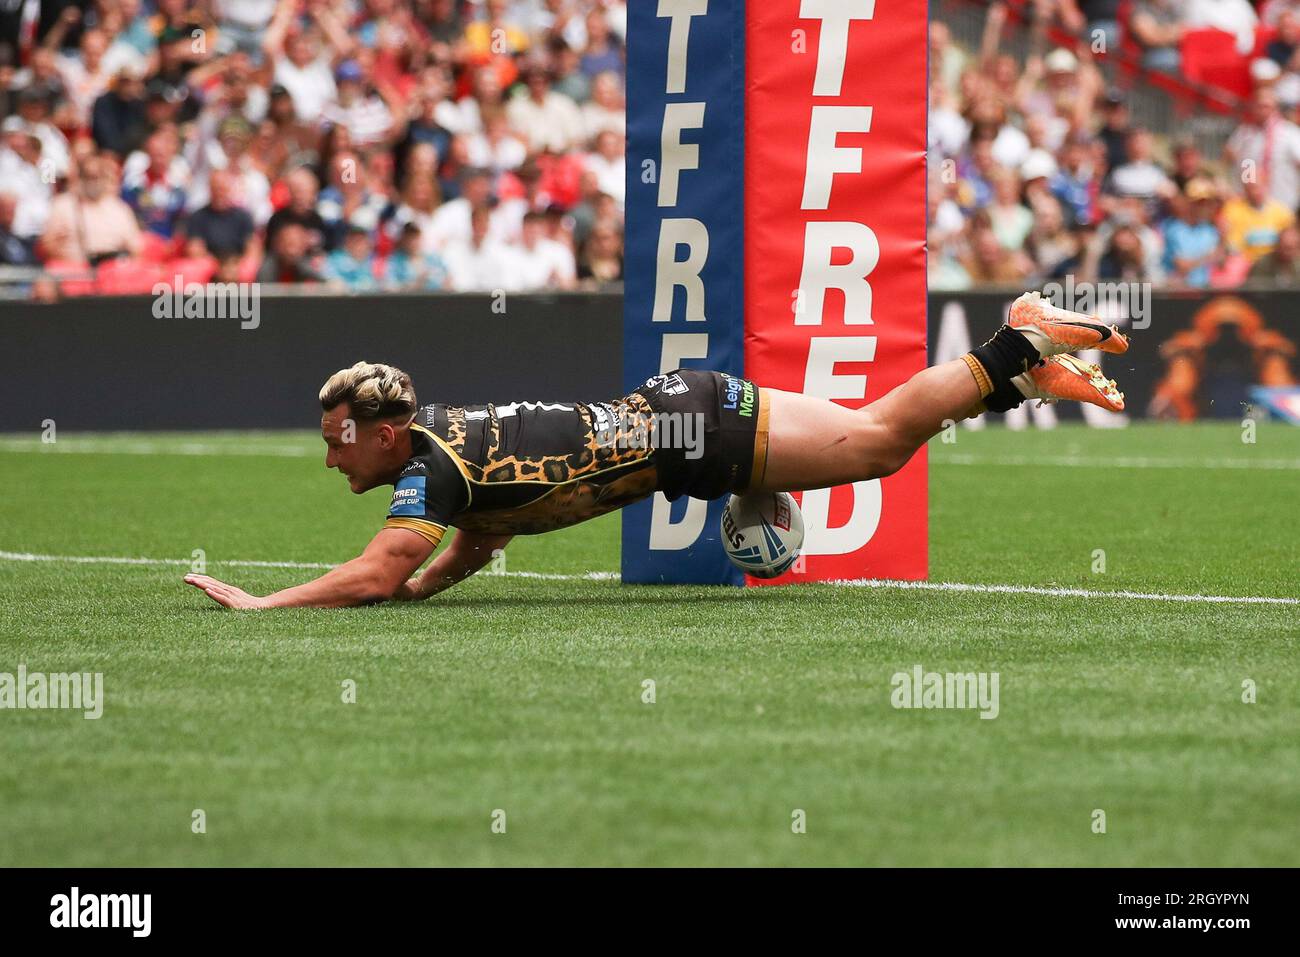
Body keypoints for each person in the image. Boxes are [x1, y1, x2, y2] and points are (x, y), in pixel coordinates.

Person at [183, 294, 1130, 609]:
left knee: (881, 443)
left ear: (385, 435)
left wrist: (267, 601)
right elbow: (477, 535)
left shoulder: (430, 467)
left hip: (697, 436)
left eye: (339, 443)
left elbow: (378, 572)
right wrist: (429, 588)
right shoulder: (443, 455)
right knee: (877, 436)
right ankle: (1016, 374)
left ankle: (1017, 337)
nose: (331, 460)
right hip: (688, 410)